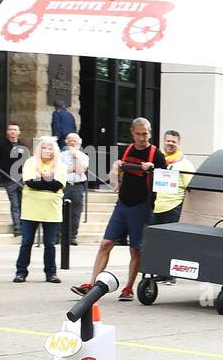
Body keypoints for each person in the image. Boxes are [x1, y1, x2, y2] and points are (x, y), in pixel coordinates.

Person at [71, 117, 168, 301]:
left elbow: (168, 182)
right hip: (122, 204)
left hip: (142, 206)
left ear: (150, 133)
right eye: (138, 134)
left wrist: (153, 169)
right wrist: (115, 174)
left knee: (135, 249)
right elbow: (113, 176)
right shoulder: (127, 150)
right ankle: (92, 285)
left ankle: (129, 288)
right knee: (106, 243)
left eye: (145, 134)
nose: (142, 138)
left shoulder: (156, 154)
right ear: (132, 133)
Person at [14, 136, 67, 284]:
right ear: (39, 149)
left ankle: (51, 273)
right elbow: (30, 182)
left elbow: (59, 184)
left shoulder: (60, 165)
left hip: (51, 210)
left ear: (55, 150)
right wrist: (49, 181)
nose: (47, 150)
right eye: (44, 147)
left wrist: (42, 180)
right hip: (31, 209)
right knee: (26, 242)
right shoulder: (30, 162)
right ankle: (21, 272)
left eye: (50, 148)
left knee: (50, 244)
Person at [0, 122, 29, 236]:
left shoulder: (23, 146)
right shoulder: (1, 145)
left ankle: (22, 224)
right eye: (10, 129)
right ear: (7, 132)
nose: (12, 131)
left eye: (15, 129)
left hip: (21, 178)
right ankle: (17, 227)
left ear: (19, 132)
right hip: (8, 178)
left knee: (22, 202)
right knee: (14, 203)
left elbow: (27, 163)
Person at [151, 129, 194, 226]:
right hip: (157, 208)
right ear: (164, 142)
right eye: (168, 141)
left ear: (178, 144)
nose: (170, 143)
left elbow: (190, 189)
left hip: (174, 209)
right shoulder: (158, 161)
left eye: (174, 142)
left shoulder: (185, 164)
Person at [58, 133, 89, 244]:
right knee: (59, 210)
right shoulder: (60, 155)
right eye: (70, 140)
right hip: (63, 185)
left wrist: (75, 156)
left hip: (77, 186)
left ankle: (72, 236)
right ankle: (58, 235)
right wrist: (73, 168)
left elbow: (81, 171)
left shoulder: (83, 156)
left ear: (79, 143)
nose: (72, 143)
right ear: (66, 142)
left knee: (76, 212)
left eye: (74, 141)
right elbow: (60, 170)